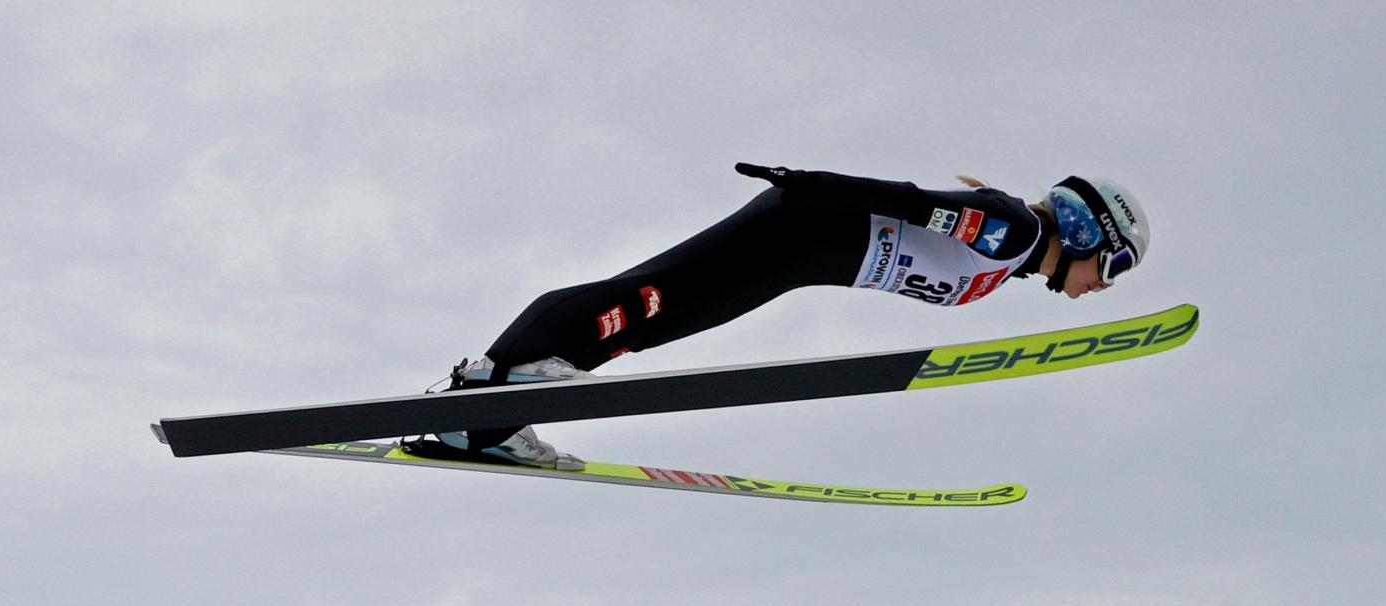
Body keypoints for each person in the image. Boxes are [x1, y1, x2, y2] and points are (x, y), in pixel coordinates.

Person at [438, 162, 1152, 469]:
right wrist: (813, 184)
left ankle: (487, 419)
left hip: (796, 257)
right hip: (796, 232)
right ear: (1086, 232)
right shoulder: (1015, 233)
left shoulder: (1014, 250)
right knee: (652, 295)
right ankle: (491, 386)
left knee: (650, 317)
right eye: (1113, 268)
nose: (1103, 286)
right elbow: (908, 201)